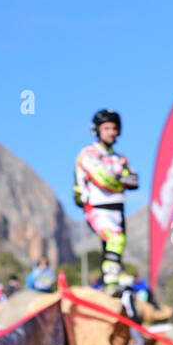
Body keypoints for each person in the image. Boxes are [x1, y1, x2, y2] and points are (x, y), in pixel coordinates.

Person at [73, 109, 139, 292]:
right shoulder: (88, 153)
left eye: (114, 128)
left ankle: (111, 279)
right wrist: (120, 181)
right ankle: (110, 282)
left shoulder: (120, 158)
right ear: (97, 130)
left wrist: (120, 181)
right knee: (114, 239)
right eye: (107, 128)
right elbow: (102, 178)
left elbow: (134, 179)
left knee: (115, 247)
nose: (111, 132)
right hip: (97, 207)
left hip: (118, 209)